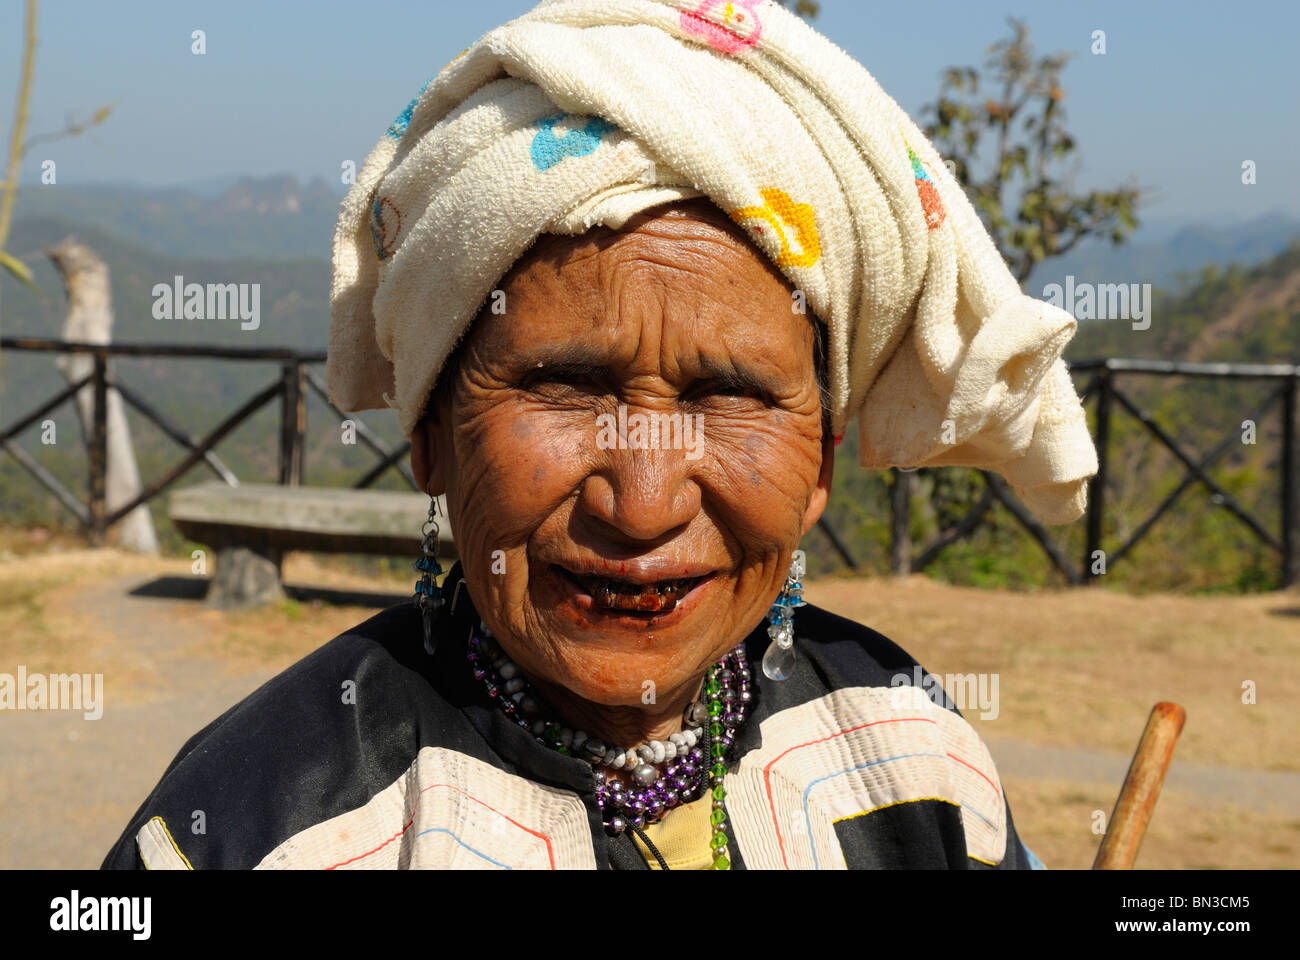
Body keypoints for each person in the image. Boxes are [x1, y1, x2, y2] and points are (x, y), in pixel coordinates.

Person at [103, 0, 1095, 870]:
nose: (644, 505)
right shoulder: (260, 827)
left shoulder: (917, 758)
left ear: (822, 464)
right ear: (431, 434)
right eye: (567, 389)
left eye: (729, 396)